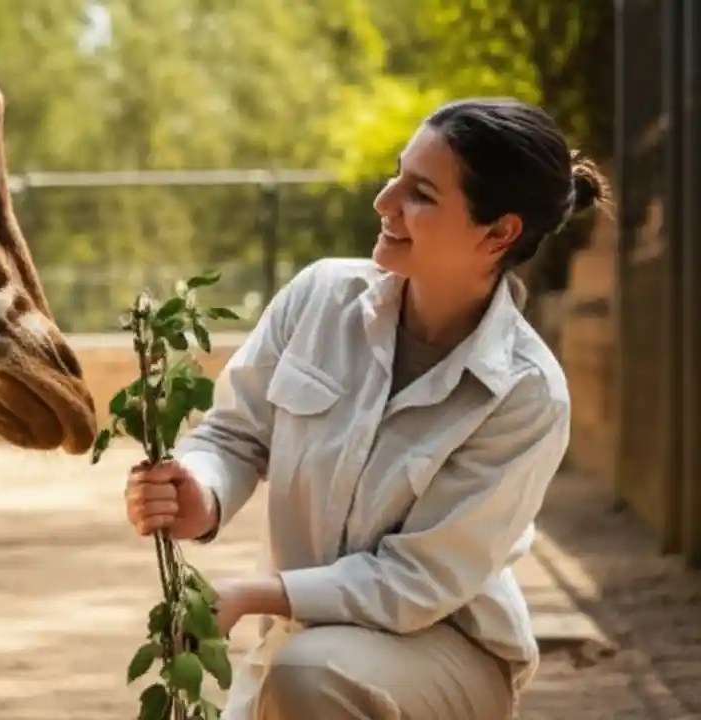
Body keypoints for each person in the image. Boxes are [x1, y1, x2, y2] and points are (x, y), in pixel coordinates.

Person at [123, 97, 612, 720]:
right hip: (312, 647)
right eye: (396, 173)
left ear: (499, 233)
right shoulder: (320, 297)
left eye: (421, 194)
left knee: (307, 677)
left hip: (446, 651)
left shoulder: (526, 394)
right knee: (303, 671)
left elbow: (416, 581)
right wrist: (200, 491)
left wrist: (257, 595)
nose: (385, 202)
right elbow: (234, 435)